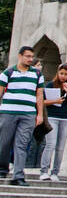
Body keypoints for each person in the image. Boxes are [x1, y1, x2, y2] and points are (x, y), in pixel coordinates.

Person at [0, 45, 45, 186]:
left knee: (22, 144)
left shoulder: (37, 74)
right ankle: (2, 168)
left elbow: (39, 95)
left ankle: (18, 175)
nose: (30, 59)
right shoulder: (8, 73)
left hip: (28, 113)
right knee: (4, 142)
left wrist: (40, 115)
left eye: (32, 57)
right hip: (8, 111)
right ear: (20, 56)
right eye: (28, 56)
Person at [38, 62, 67, 182]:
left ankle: (55, 172)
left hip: (65, 118)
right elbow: (42, 101)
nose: (63, 76)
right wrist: (55, 101)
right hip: (52, 117)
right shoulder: (51, 85)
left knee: (60, 147)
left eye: (66, 74)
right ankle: (44, 171)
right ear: (58, 73)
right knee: (50, 144)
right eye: (61, 73)